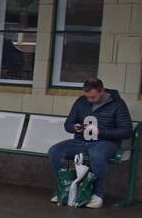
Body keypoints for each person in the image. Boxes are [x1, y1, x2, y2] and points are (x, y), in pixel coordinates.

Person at [47, 77, 135, 208]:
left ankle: (97, 194)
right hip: (81, 141)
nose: (89, 100)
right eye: (87, 97)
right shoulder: (81, 101)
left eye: (93, 97)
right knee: (55, 151)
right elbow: (68, 124)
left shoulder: (117, 104)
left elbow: (126, 131)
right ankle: (65, 188)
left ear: (102, 91)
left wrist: (100, 131)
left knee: (96, 154)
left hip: (107, 142)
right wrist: (78, 128)